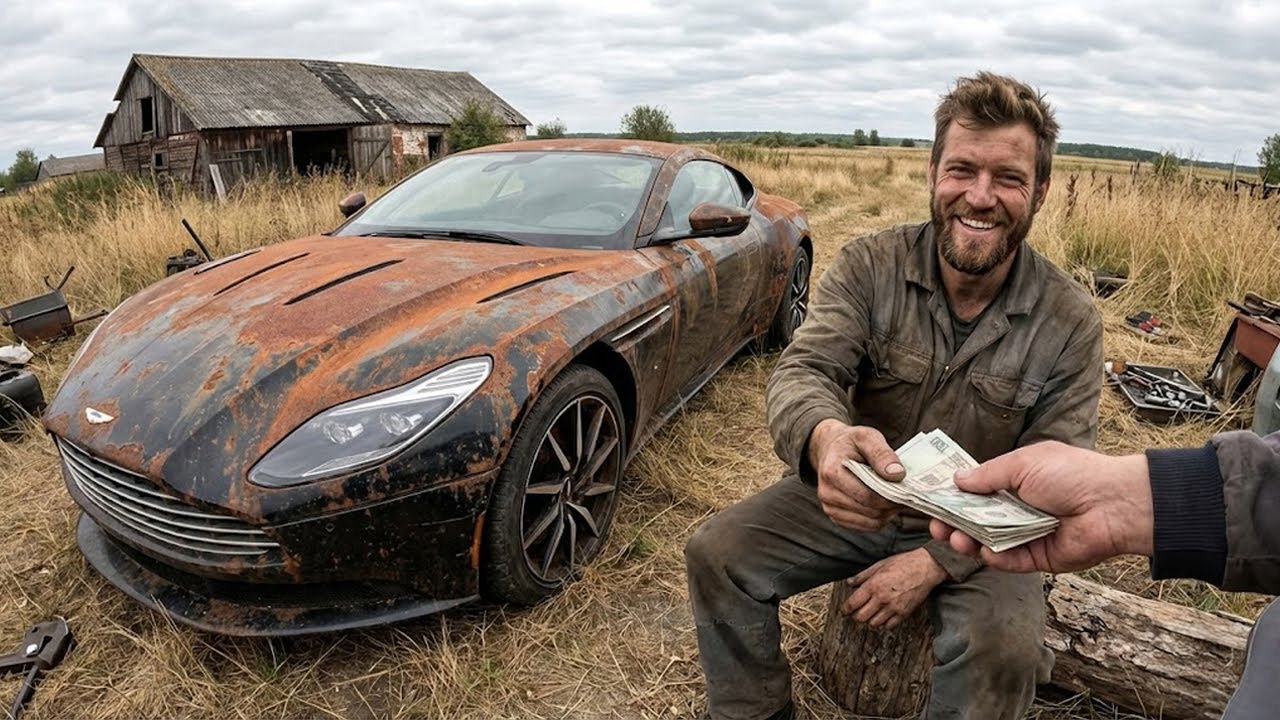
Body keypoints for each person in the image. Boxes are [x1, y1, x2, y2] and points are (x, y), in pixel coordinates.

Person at [684, 71, 1106, 720]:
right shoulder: (868, 266)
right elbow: (804, 373)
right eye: (962, 169)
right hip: (864, 502)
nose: (981, 196)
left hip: (989, 537)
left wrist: (936, 561)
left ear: (1041, 192)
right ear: (933, 171)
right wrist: (826, 441)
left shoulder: (1070, 318)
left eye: (1009, 178)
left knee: (1004, 649)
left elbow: (1062, 469)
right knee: (717, 555)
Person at [928, 431, 1280, 720]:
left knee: (1008, 644)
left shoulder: (1066, 344)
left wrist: (935, 561)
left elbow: (1060, 432)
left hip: (987, 546)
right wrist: (1124, 499)